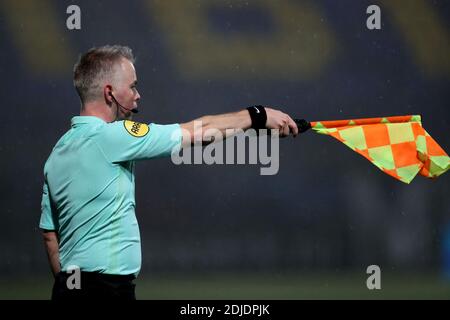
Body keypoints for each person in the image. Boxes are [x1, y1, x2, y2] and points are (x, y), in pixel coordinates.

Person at [39, 45, 299, 300]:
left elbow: (51, 236)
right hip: (106, 289)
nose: (137, 95)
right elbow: (198, 132)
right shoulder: (112, 137)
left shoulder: (57, 154)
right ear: (109, 92)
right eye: (132, 86)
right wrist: (258, 115)